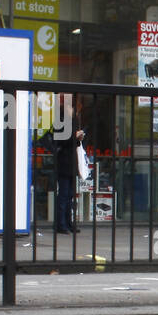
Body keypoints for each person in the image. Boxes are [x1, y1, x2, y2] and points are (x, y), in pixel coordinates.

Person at [53, 97, 85, 234]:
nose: (74, 111)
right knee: (64, 194)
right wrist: (74, 137)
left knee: (70, 195)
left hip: (72, 163)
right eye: (72, 108)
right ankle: (61, 224)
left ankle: (68, 222)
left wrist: (78, 139)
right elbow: (61, 140)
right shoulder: (61, 121)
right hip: (64, 162)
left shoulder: (73, 121)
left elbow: (73, 143)